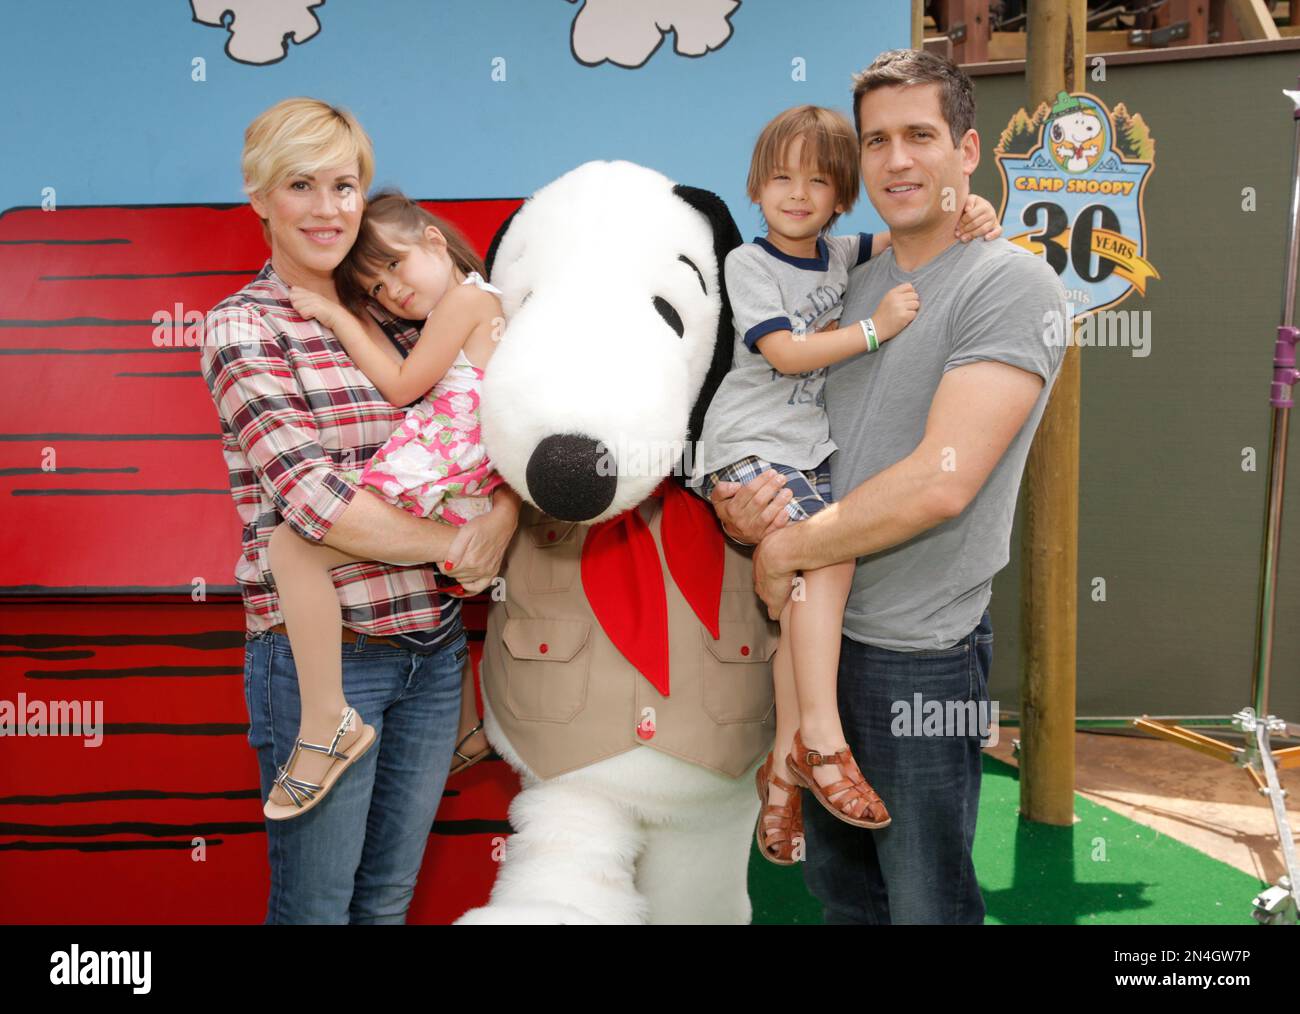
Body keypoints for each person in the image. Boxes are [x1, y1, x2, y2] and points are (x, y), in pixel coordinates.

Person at [709, 50, 1068, 923]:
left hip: (921, 659)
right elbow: (792, 427)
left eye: (920, 135)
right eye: (877, 140)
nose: (898, 160)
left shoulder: (1009, 282)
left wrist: (790, 545)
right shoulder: (851, 281)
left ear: (967, 149)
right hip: (817, 640)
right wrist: (739, 509)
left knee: (926, 902)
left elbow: (938, 487)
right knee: (846, 899)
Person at [200, 97, 520, 923]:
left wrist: (508, 517)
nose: (327, 207)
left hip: (435, 651)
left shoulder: (403, 310)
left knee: (385, 904)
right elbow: (315, 509)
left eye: (344, 186)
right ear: (259, 196)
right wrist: (461, 543)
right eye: (300, 185)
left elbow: (498, 430)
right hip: (328, 659)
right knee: (315, 910)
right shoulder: (245, 327)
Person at [689, 104, 1001, 865]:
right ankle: (821, 739)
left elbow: (917, 225)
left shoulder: (846, 253)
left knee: (803, 588)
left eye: (819, 181)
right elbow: (790, 356)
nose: (797, 194)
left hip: (802, 453)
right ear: (755, 187)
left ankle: (783, 766)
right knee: (826, 555)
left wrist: (973, 205)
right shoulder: (750, 263)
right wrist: (874, 329)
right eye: (780, 178)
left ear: (840, 198)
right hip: (749, 446)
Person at [265, 190, 506, 819]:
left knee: (291, 548)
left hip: (439, 467)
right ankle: (471, 726)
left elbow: (402, 386)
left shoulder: (466, 300)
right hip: (461, 476)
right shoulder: (480, 301)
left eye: (394, 265)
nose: (390, 292)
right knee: (443, 599)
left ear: (433, 240)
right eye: (372, 290)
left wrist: (336, 315)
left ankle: (326, 720)